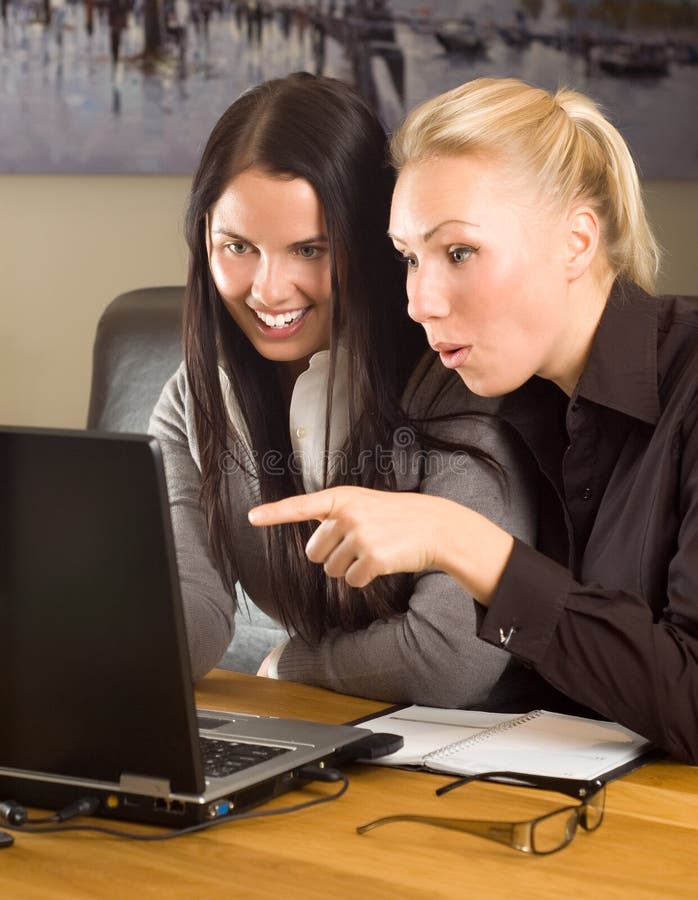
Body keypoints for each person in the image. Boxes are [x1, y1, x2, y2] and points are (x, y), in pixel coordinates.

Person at [248, 76, 698, 763]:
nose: (420, 302)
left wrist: (464, 542)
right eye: (409, 258)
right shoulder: (497, 392)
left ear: (577, 241)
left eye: (459, 252)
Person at [149, 72, 544, 708]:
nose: (268, 290)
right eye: (238, 246)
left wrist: (293, 666)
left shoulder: (458, 377)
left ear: (372, 245)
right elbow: (187, 612)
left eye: (310, 249)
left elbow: (450, 660)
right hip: (330, 733)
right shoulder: (194, 398)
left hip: (494, 741)